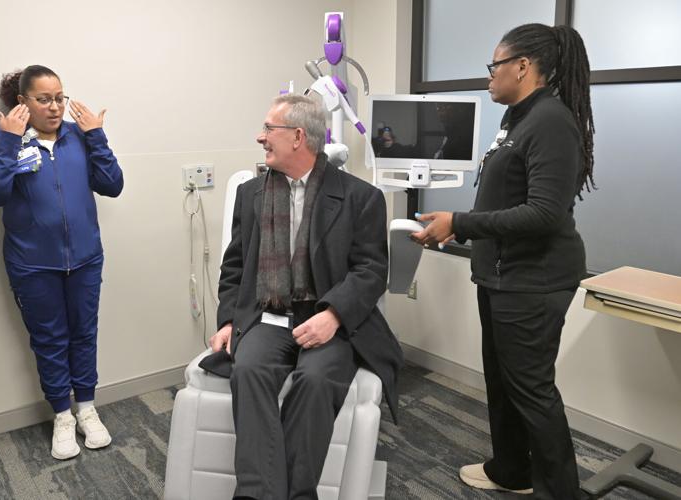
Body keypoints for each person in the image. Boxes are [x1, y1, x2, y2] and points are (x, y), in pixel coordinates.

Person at [412, 23, 595, 499]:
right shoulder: (517, 119)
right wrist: (459, 223)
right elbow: (507, 198)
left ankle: (560, 492)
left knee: (533, 394)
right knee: (504, 383)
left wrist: (461, 223)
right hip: (501, 275)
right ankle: (511, 471)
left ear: (522, 66)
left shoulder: (551, 121)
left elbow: (543, 212)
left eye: (494, 66)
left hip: (534, 280)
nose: (488, 76)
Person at [206, 94, 403, 500]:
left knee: (314, 381)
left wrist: (333, 314)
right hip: (270, 314)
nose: (260, 138)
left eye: (268, 130)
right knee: (249, 370)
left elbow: (371, 271)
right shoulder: (252, 194)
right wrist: (228, 321)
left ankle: (297, 494)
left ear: (298, 136)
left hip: (328, 319)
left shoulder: (360, 197)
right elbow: (235, 266)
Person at [0, 65, 124, 460]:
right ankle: (62, 416)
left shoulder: (79, 137)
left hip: (86, 259)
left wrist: (97, 135)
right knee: (49, 340)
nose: (55, 107)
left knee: (83, 334)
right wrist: (9, 142)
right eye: (44, 99)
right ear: (22, 102)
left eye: (60, 97)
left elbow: (113, 184)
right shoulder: (1, 139)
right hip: (32, 264)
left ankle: (87, 409)